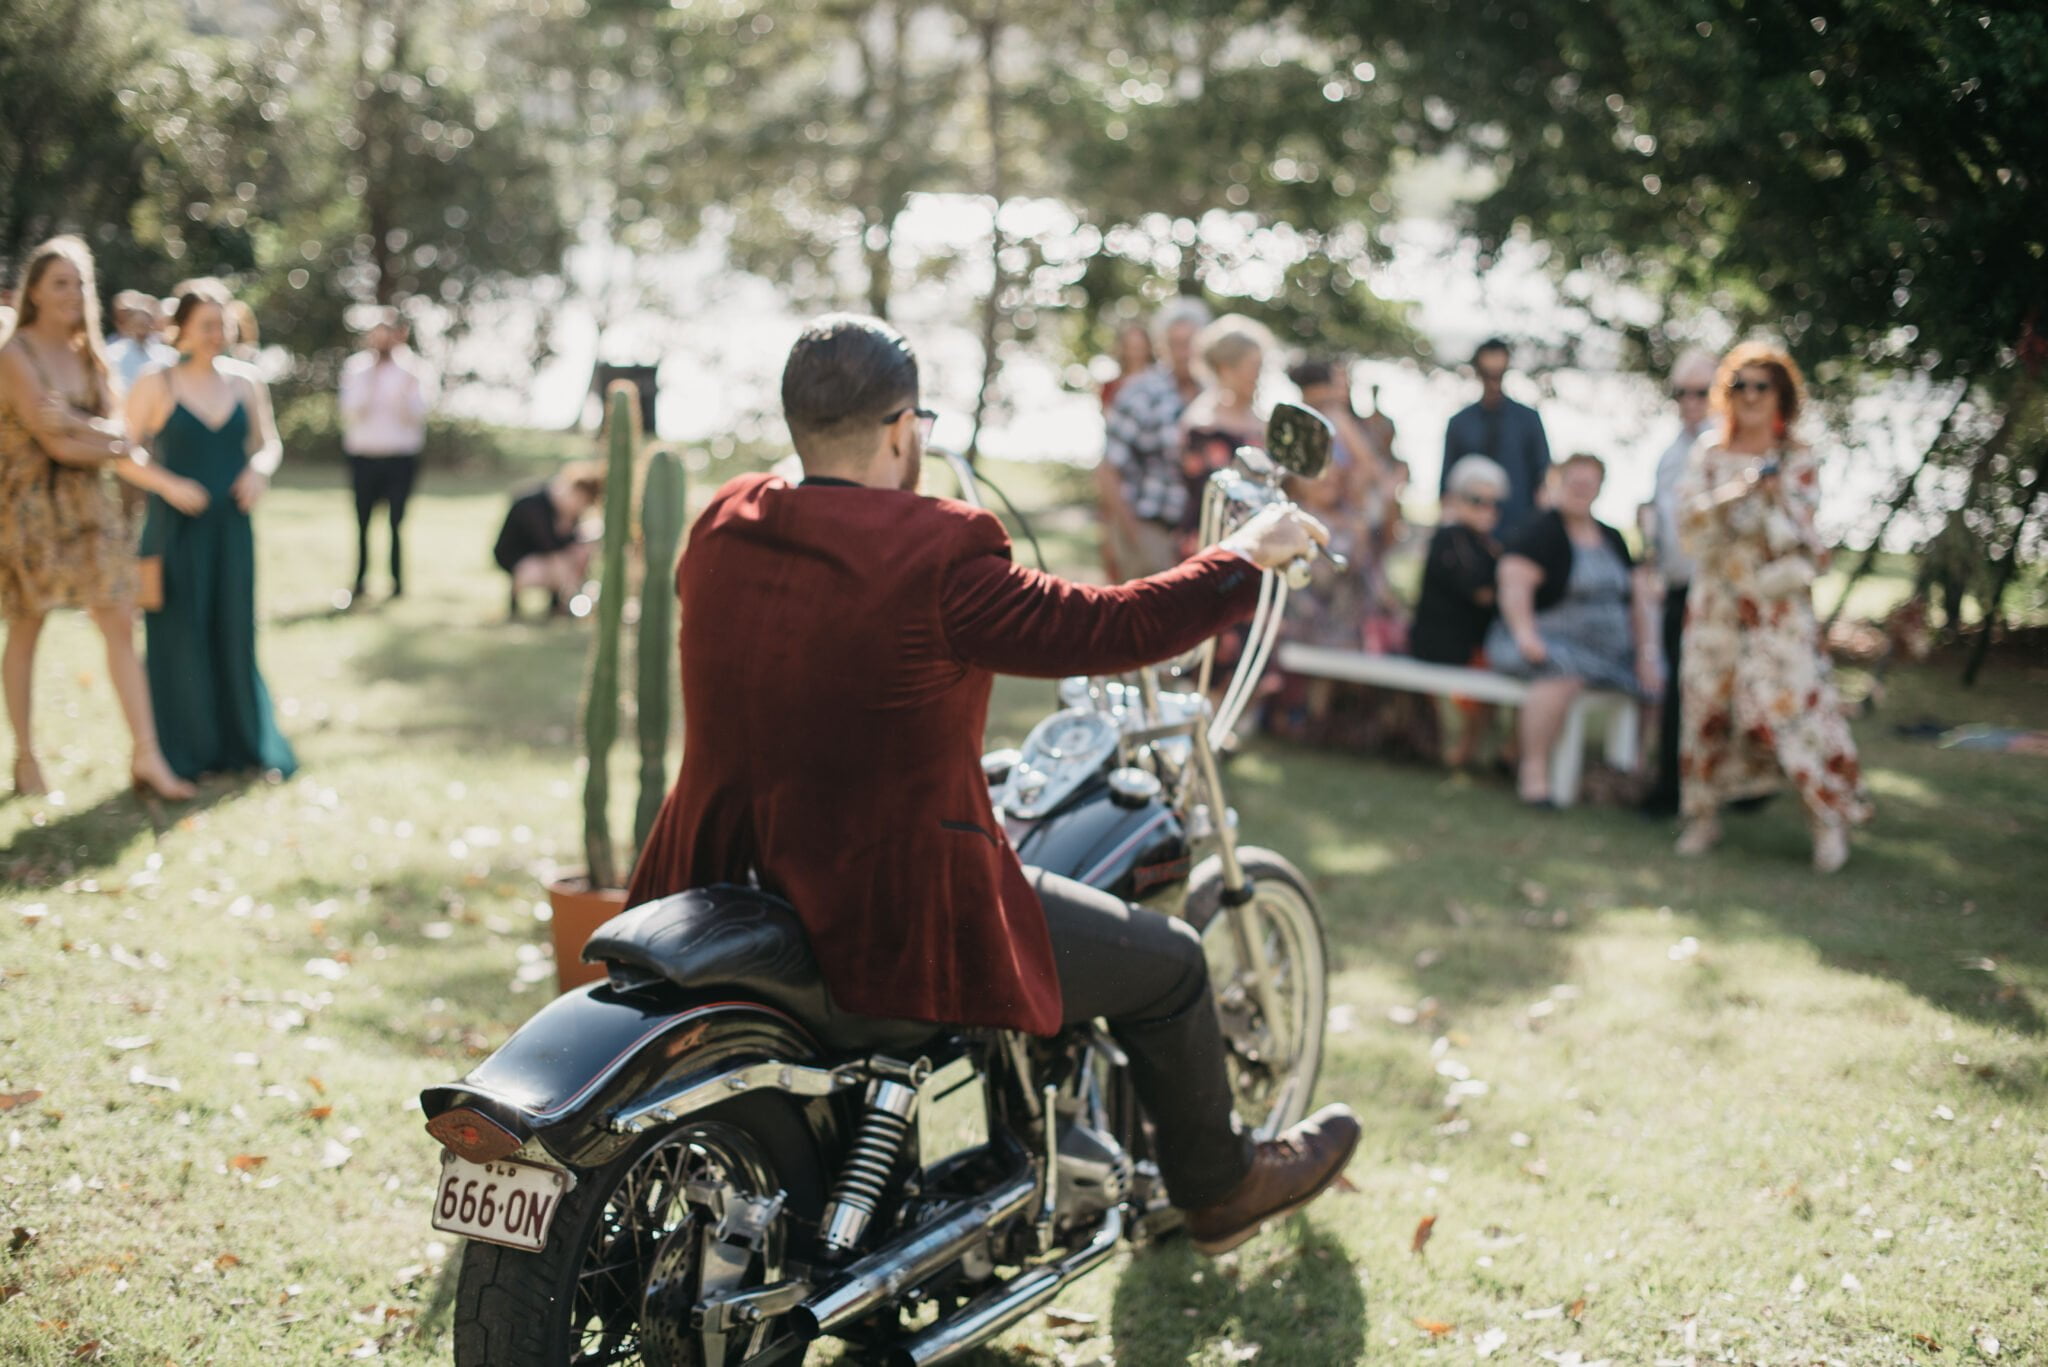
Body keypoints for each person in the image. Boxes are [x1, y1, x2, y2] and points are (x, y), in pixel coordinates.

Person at [627, 313, 1359, 1254]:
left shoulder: (725, 522)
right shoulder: (938, 553)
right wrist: (1244, 555)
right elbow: (1111, 627)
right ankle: (1219, 1189)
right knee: (1171, 959)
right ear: (904, 430)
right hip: (882, 907)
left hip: (724, 877)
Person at [0, 236, 210, 800]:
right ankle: (26, 758)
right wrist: (98, 439)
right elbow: (59, 448)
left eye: (81, 283)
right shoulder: (14, 353)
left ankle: (147, 756)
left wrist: (74, 420)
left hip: (94, 509)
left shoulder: (90, 351)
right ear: (35, 293)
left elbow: (122, 433)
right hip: (30, 507)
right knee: (28, 626)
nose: (73, 294)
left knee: (119, 622)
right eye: (60, 283)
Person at [1675, 343, 1870, 872]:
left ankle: (1828, 821)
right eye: (1741, 385)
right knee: (1705, 707)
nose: (1752, 396)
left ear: (1781, 393)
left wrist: (1768, 501)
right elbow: (1689, 526)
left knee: (1797, 707)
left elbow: (1804, 538)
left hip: (1777, 608)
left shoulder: (1797, 457)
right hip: (1716, 603)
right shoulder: (1709, 453)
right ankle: (1701, 816)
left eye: (1763, 386)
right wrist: (1737, 494)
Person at [124, 284, 296, 782]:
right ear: (180, 328)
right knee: (180, 636)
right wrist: (168, 484)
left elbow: (268, 443)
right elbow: (123, 451)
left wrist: (259, 471)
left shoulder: (246, 381)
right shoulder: (157, 382)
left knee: (234, 630)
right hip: (175, 530)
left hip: (232, 529)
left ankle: (245, 747)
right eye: (205, 325)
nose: (216, 334)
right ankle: (183, 754)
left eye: (222, 324)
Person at [1485, 453, 1659, 805]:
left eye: (1588, 483)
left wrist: (1647, 652)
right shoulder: (1540, 530)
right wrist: (1525, 634)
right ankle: (1532, 773)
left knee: (1658, 678)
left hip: (1608, 651)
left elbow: (1638, 598)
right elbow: (1513, 585)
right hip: (1545, 640)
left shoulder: (1611, 537)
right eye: (1574, 482)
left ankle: (1629, 773)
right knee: (1561, 673)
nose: (1580, 490)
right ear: (1558, 483)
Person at [1638, 349, 1720, 815]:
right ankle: (1669, 789)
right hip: (1675, 586)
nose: (1689, 401)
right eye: (1681, 392)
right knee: (1676, 690)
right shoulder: (1672, 450)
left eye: (1700, 392)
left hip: (1711, 589)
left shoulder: (1722, 446)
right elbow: (1658, 515)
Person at [1099, 296, 1211, 580]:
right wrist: (1134, 537)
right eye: (1176, 343)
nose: (1184, 352)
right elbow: (1108, 470)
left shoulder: (1216, 396)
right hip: (1153, 531)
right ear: (1162, 347)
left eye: (1191, 343)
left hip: (1205, 537)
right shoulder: (1140, 392)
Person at [1413, 454, 1509, 767]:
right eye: (1477, 500)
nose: (1488, 509)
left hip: (1475, 645)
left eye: (1494, 503)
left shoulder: (1486, 544)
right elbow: (1480, 593)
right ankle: (1464, 751)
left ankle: (1484, 750)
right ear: (1458, 498)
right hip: (1447, 644)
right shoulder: (1450, 539)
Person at [338, 307, 432, 603]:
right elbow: (351, 411)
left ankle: (397, 583)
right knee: (362, 523)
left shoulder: (413, 370)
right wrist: (372, 378)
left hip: (400, 458)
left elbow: (418, 415)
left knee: (396, 523)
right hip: (364, 457)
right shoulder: (356, 369)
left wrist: (403, 389)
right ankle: (360, 581)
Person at [1176, 314, 1276, 555]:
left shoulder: (1262, 422)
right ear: (1226, 369)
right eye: (1253, 367)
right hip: (1211, 544)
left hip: (1258, 546)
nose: (1258, 376)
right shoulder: (1202, 424)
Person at [1441, 337, 1551, 539]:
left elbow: (1543, 475)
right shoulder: (1460, 422)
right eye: (1487, 373)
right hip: (1468, 529)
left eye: (1498, 373)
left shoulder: (1528, 419)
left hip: (1518, 524)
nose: (1493, 380)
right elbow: (1446, 483)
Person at [493, 462, 604, 619]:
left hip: (545, 557)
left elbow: (570, 542)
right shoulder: (533, 505)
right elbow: (549, 545)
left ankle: (560, 604)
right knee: (557, 564)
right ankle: (558, 601)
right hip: (518, 557)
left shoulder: (567, 511)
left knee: (577, 554)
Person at [104, 291, 178, 394]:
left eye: (145, 325)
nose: (141, 331)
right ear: (129, 325)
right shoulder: (113, 354)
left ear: (152, 325)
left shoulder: (168, 355)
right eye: (138, 325)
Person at [1098, 320, 1154, 414]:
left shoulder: (1163, 382)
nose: (1135, 353)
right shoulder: (1110, 388)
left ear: (1148, 348)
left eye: (1139, 347)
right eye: (1131, 347)